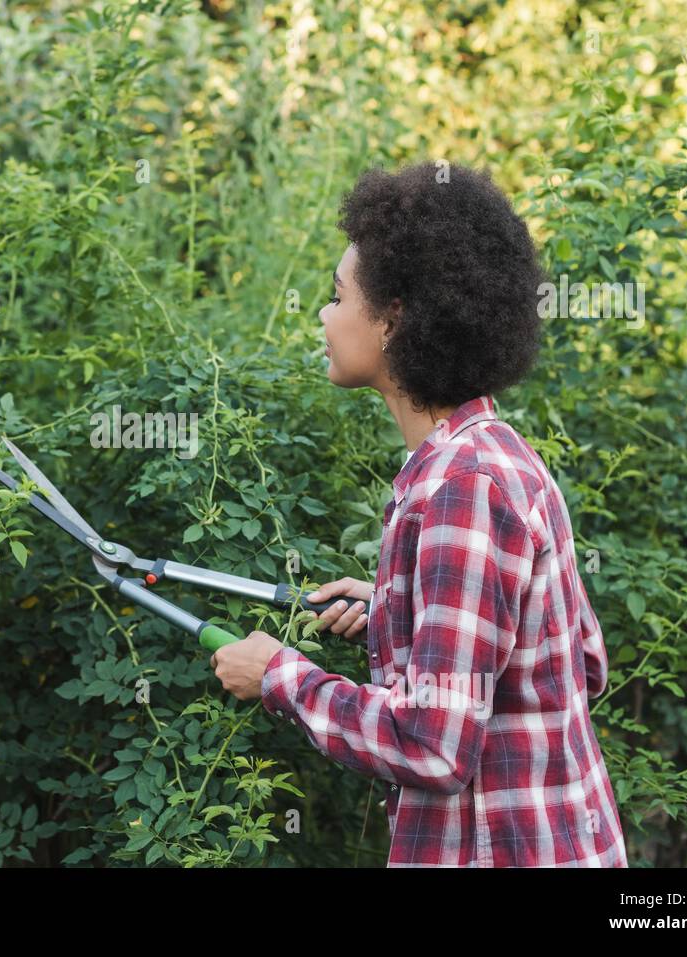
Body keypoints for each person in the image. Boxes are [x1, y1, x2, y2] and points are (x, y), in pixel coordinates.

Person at [208, 162, 628, 867]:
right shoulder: (495, 452)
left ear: (394, 318)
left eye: (337, 296)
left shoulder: (462, 489)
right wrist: (396, 608)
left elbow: (434, 746)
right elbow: (577, 661)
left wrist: (280, 674)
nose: (322, 314)